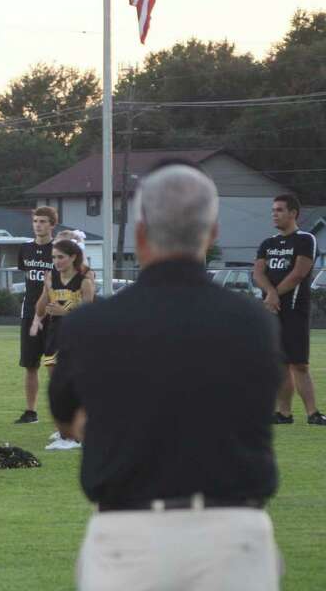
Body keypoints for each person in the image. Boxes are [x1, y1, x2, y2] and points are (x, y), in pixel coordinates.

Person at [49, 162, 283, 591]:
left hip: (130, 535)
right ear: (212, 234)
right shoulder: (253, 323)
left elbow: (67, 419)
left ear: (140, 234)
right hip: (233, 536)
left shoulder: (90, 325)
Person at [253, 193, 325, 426]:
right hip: (271, 310)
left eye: (280, 210)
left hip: (294, 310)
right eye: (273, 210)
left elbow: (298, 274)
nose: (274, 214)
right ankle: (284, 414)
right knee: (280, 363)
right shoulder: (268, 243)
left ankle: (313, 413)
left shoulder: (305, 240)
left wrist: (274, 294)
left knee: (299, 364)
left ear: (293, 213)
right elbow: (258, 273)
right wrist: (270, 295)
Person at [32, 235, 95, 451]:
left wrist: (65, 310)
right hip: (54, 334)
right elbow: (40, 311)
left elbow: (90, 313)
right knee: (57, 386)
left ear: (73, 257)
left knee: (72, 386)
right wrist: (46, 289)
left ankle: (75, 436)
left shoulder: (84, 280)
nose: (57, 261)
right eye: (54, 257)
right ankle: (65, 432)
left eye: (61, 257)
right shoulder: (52, 278)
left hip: (76, 337)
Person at [15, 206, 57, 424]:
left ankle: (60, 414)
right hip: (30, 312)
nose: (38, 225)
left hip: (54, 315)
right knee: (31, 364)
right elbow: (28, 275)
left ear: (52, 224)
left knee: (54, 365)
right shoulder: (25, 249)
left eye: (43, 221)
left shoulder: (59, 250)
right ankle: (30, 412)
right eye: (36, 221)